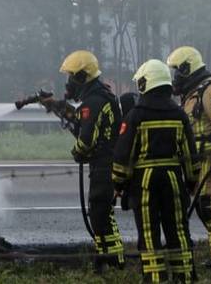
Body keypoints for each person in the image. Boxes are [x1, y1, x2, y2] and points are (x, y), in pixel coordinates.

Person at [113, 59, 198, 283]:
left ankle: (154, 277)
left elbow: (123, 155)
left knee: (149, 233)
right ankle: (185, 276)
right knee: (178, 230)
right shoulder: (179, 115)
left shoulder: (135, 116)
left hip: (145, 183)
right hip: (173, 180)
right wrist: (191, 181)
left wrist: (118, 184)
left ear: (145, 83)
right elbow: (190, 154)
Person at [47, 49, 124, 271]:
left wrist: (77, 152)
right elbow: (82, 123)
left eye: (71, 77)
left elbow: (86, 138)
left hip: (104, 164)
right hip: (107, 162)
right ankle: (108, 257)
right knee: (101, 213)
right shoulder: (100, 96)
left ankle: (110, 259)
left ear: (82, 77)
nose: (68, 83)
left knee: (100, 212)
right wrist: (57, 106)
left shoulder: (93, 101)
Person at [167, 46, 211, 270]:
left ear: (189, 68)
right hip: (196, 161)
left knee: (210, 203)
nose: (175, 77)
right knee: (201, 205)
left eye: (178, 71)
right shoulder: (193, 94)